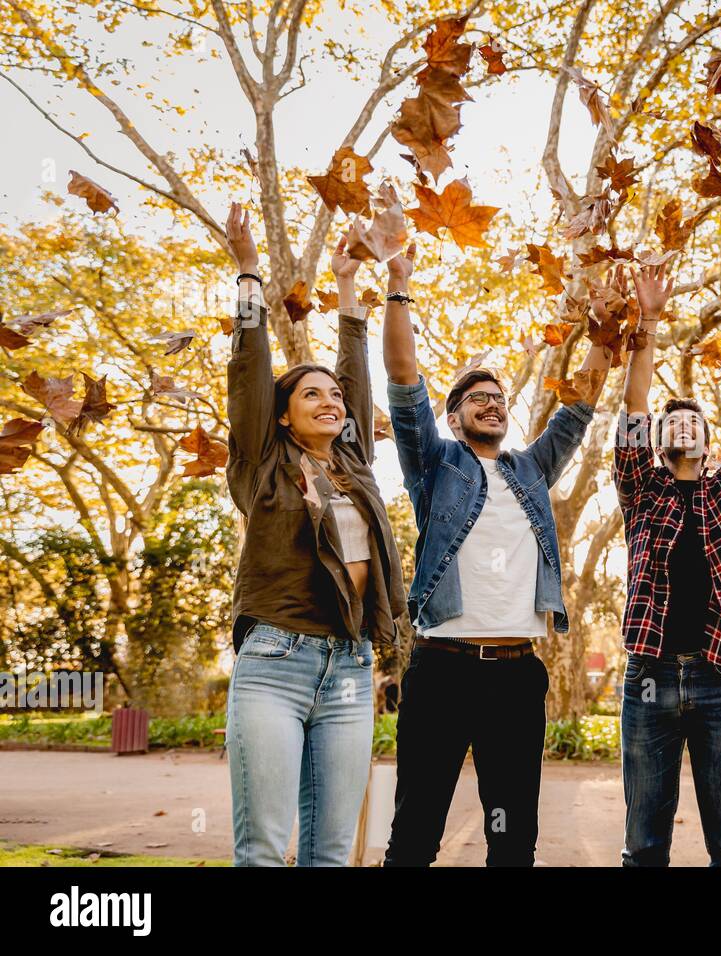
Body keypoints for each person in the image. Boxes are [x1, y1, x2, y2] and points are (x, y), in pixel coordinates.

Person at [381, 202, 612, 867]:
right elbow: (402, 379)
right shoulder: (435, 462)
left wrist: (608, 326)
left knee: (513, 840)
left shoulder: (530, 469)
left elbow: (581, 405)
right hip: (441, 670)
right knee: (416, 832)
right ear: (454, 418)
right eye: (476, 397)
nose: (492, 401)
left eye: (500, 396)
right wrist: (399, 282)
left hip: (517, 677)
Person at [222, 202, 408, 866]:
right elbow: (248, 372)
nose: (331, 401)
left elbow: (357, 378)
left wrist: (350, 287)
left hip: (352, 668)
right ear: (280, 418)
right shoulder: (261, 466)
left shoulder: (354, 465)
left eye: (334, 397)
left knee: (332, 854)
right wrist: (248, 269)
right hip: (275, 661)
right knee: (266, 851)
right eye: (311, 396)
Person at [614, 262, 721, 866]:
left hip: (720, 672)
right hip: (648, 675)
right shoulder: (640, 489)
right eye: (672, 421)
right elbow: (633, 404)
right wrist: (647, 320)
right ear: (658, 438)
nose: (681, 424)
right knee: (645, 841)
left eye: (693, 421)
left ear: (708, 441)